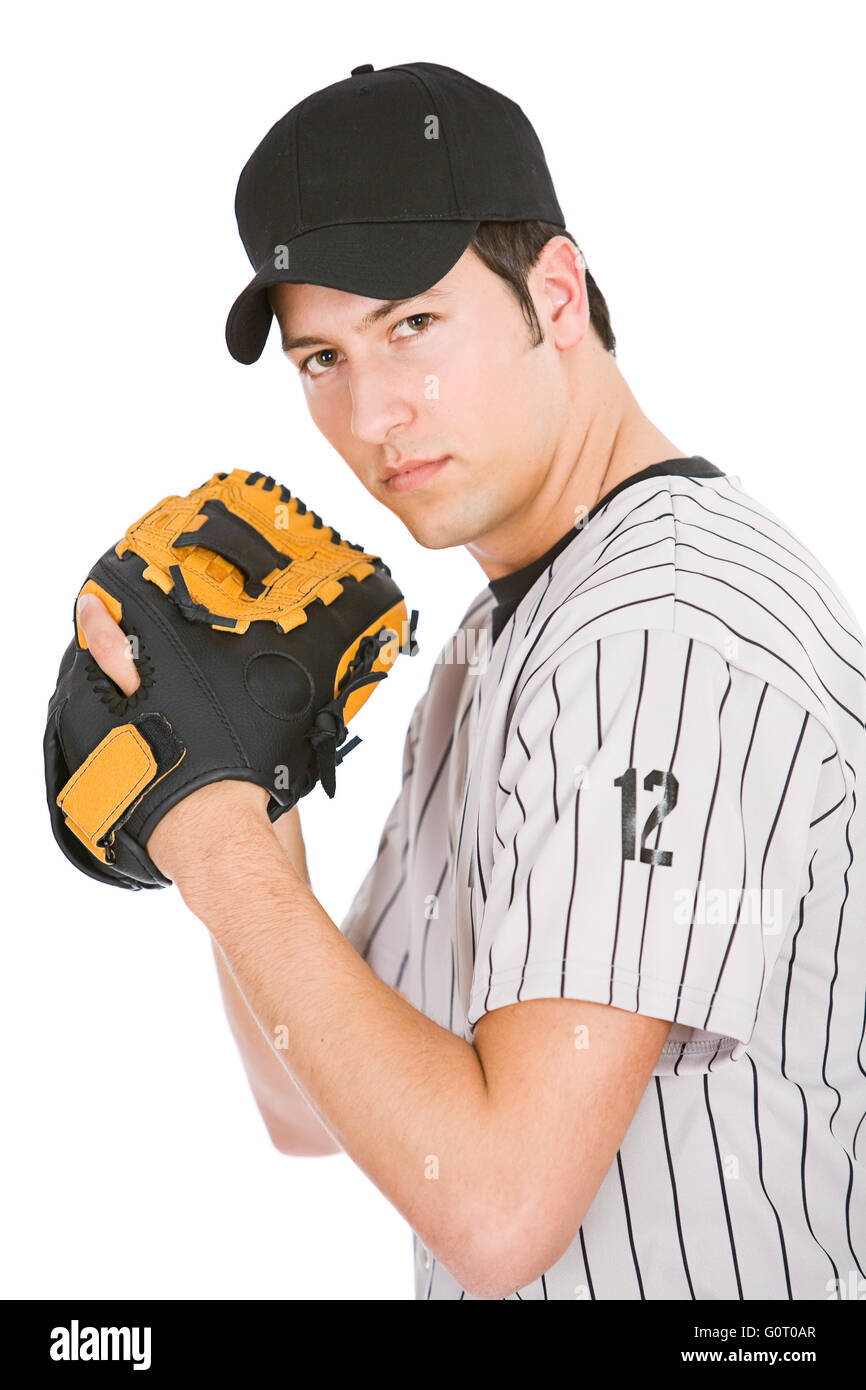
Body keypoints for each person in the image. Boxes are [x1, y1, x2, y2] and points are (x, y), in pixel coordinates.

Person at [74, 62, 866, 1300]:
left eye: (411, 326)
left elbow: (494, 1209)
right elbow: (307, 1096)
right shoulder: (491, 651)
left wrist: (216, 848)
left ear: (552, 293)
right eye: (321, 357)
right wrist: (241, 788)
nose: (375, 410)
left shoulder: (655, 632)